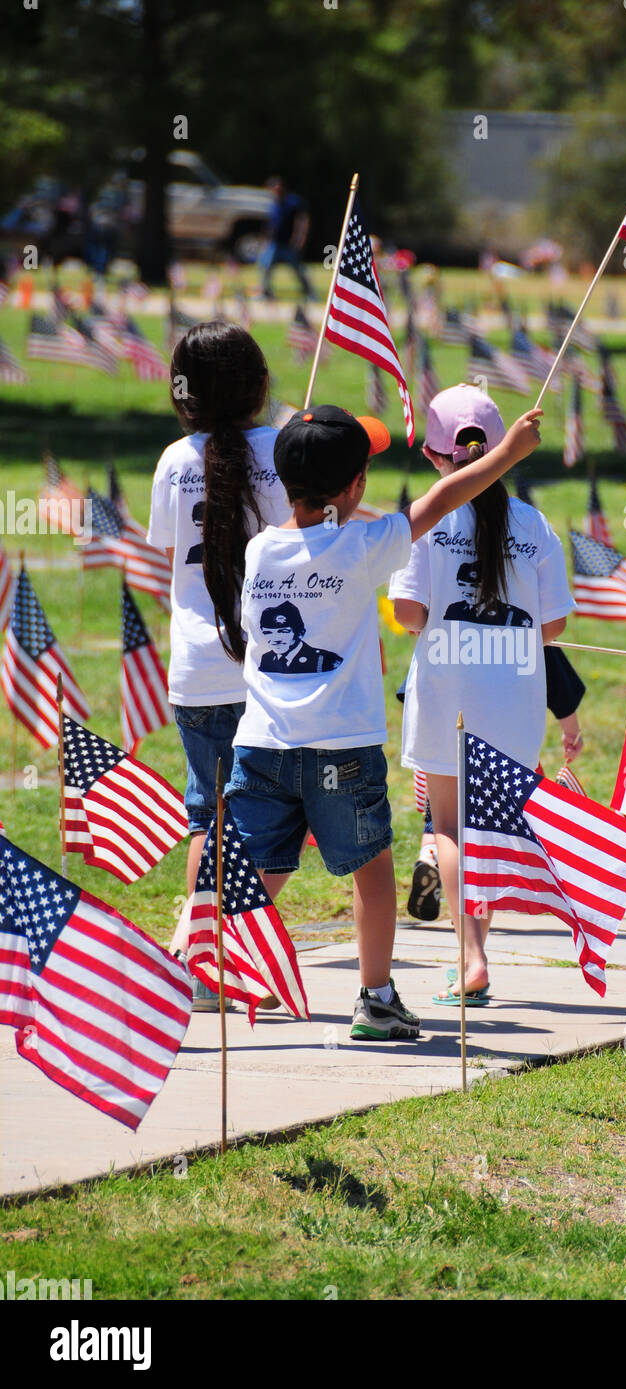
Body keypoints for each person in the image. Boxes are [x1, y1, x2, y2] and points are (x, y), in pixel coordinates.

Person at [223, 401, 543, 1041]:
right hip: (342, 746)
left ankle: (214, 969)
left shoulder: (259, 551)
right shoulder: (361, 546)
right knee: (371, 870)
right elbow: (445, 498)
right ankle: (376, 998)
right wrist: (505, 455)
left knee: (258, 868)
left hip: (260, 742)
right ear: (355, 487)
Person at [389, 384, 573, 1004]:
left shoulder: (427, 518)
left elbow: (410, 614)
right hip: (516, 696)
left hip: (445, 688)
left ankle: (469, 956)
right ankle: (477, 954)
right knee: (489, 828)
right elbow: (553, 627)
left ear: (436, 458)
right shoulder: (535, 523)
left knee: (448, 825)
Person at [147, 321, 293, 1010]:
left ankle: (197, 955)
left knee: (209, 817)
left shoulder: (173, 460)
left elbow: (162, 567)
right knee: (283, 811)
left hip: (196, 666)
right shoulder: (284, 453)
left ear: (183, 394)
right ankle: (209, 950)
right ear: (259, 384)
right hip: (276, 667)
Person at [401, 643, 585, 923]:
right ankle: (470, 934)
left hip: (443, 736)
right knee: (479, 839)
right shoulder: (522, 618)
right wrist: (571, 731)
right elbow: (559, 684)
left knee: (444, 824)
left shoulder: (443, 617)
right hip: (498, 742)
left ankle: (430, 856)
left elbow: (412, 687)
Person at [260, 176, 315, 301]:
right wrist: (265, 239)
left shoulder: (293, 202)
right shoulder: (273, 203)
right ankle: (265, 292)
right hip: (274, 243)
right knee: (266, 267)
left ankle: (309, 292)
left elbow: (302, 221)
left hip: (289, 244)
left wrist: (300, 238)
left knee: (298, 268)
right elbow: (270, 224)